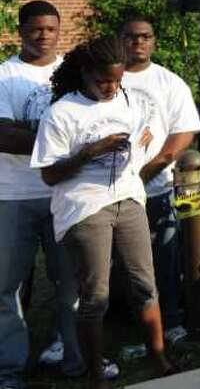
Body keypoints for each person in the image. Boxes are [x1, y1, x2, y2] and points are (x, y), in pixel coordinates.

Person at [30, 36, 173, 387]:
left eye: (117, 81)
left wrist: (139, 143)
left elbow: (141, 133)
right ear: (85, 74)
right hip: (86, 206)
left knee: (145, 284)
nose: (111, 88)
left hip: (129, 199)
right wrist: (90, 152)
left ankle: (159, 358)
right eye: (103, 81)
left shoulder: (125, 100)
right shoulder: (62, 113)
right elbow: (49, 175)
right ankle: (96, 375)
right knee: (96, 295)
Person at [0, 1, 89, 388]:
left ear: (59, 31)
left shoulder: (72, 73)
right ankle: (10, 369)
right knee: (5, 287)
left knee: (70, 283)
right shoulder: (4, 76)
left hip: (64, 194)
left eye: (51, 29)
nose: (43, 36)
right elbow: (2, 135)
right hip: (11, 195)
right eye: (35, 29)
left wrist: (29, 133)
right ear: (20, 31)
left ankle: (72, 359)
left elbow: (90, 125)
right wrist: (61, 137)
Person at [118, 16, 200, 344]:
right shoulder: (105, 78)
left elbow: (183, 135)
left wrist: (144, 173)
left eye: (145, 37)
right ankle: (134, 324)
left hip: (157, 188)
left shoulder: (170, 83)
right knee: (125, 264)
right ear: (120, 39)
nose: (138, 43)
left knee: (164, 257)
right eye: (131, 37)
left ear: (153, 41)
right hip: (111, 193)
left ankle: (172, 319)